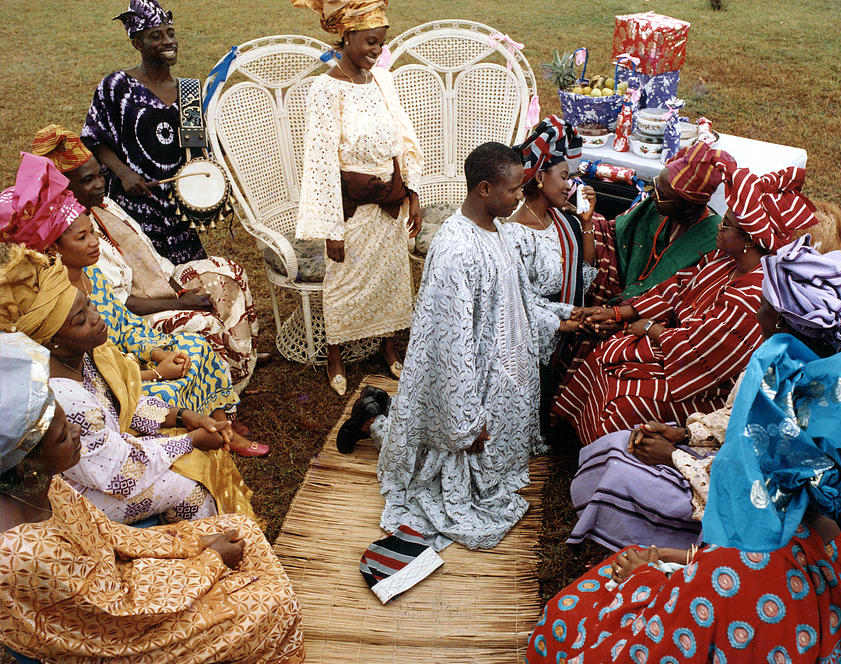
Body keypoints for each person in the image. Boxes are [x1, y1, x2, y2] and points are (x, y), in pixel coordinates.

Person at [527, 334, 841, 663]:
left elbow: (667, 642)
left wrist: (643, 578)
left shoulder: (743, 564)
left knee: (564, 616)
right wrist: (672, 559)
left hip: (709, 607)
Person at [0, 332, 305, 664]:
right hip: (110, 639)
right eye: (62, 435)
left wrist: (195, 544)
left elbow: (109, 534)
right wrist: (209, 562)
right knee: (271, 602)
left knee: (241, 531)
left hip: (112, 589)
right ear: (25, 461)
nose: (77, 434)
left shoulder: (43, 485)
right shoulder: (26, 553)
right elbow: (118, 617)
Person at [338, 142, 580, 550]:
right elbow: (449, 349)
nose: (521, 196)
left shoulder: (499, 229)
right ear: (484, 188)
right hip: (470, 395)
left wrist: (560, 318)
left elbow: (515, 301)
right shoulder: (455, 251)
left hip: (499, 380)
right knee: (441, 474)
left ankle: (382, 409)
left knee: (490, 462)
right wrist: (467, 422)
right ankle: (372, 422)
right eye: (514, 189)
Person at [568, 234, 841, 552]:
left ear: (779, 319)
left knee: (619, 475)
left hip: (747, 511)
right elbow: (732, 417)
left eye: (762, 306)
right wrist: (682, 433)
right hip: (720, 469)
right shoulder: (778, 357)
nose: (757, 314)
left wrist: (673, 456)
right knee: (616, 445)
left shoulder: (806, 399)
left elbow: (764, 489)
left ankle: (661, 547)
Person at [0, 153, 267, 456]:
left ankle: (221, 428)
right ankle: (202, 437)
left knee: (197, 348)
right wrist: (157, 373)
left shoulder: (91, 275)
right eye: (82, 238)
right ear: (55, 248)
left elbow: (125, 324)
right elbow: (95, 375)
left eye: (93, 233)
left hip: (134, 362)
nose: (94, 243)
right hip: (117, 383)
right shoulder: (57, 301)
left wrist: (157, 351)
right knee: (174, 383)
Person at [553, 161, 819, 444]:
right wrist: (619, 313)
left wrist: (649, 330)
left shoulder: (752, 296)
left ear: (750, 242)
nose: (719, 227)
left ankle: (611, 453)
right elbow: (677, 287)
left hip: (704, 382)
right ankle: (587, 442)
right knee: (609, 349)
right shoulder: (724, 259)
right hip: (677, 347)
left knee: (623, 396)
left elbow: (706, 355)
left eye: (726, 226)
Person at [0, 242, 255, 524]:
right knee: (191, 489)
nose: (97, 320)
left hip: (114, 461)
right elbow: (122, 476)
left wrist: (183, 416)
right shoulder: (64, 394)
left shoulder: (79, 358)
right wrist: (190, 440)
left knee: (195, 457)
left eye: (90, 307)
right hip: (84, 495)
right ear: (53, 341)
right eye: (81, 320)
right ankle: (207, 552)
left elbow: (122, 401)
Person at [33, 124, 264, 393]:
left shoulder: (106, 206)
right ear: (63, 188)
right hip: (135, 313)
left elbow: (151, 258)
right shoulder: (69, 239)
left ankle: (240, 358)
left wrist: (180, 289)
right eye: (87, 180)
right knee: (204, 323)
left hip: (161, 284)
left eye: (99, 175)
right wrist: (183, 301)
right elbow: (118, 304)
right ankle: (227, 391)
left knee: (228, 272)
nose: (99, 184)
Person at [293, 0, 423, 395]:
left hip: (390, 201)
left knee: (390, 277)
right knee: (343, 283)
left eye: (381, 44)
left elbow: (404, 137)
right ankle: (336, 353)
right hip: (352, 206)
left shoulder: (383, 81)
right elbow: (320, 161)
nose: (376, 51)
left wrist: (412, 192)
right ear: (346, 36)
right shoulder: (327, 89)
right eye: (370, 42)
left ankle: (388, 346)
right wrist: (331, 227)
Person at [555, 141, 733, 380]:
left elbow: (681, 302)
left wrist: (619, 317)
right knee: (583, 236)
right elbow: (615, 231)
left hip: (653, 313)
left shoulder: (713, 241)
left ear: (689, 207)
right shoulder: (657, 204)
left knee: (598, 328)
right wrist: (586, 220)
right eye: (656, 186)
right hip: (624, 282)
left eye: (663, 194)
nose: (653, 195)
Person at [82, 0, 204, 264]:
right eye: (156, 36)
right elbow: (94, 137)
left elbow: (196, 151)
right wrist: (124, 173)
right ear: (138, 44)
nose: (168, 41)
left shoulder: (190, 92)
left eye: (171, 33)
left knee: (187, 278)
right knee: (141, 280)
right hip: (132, 204)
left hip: (176, 212)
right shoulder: (117, 85)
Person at [505, 116, 598, 364]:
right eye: (564, 176)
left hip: (570, 324)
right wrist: (567, 323)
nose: (569, 186)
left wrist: (586, 222)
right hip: (534, 339)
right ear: (540, 177)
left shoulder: (563, 220)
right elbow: (517, 304)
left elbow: (584, 274)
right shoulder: (516, 234)